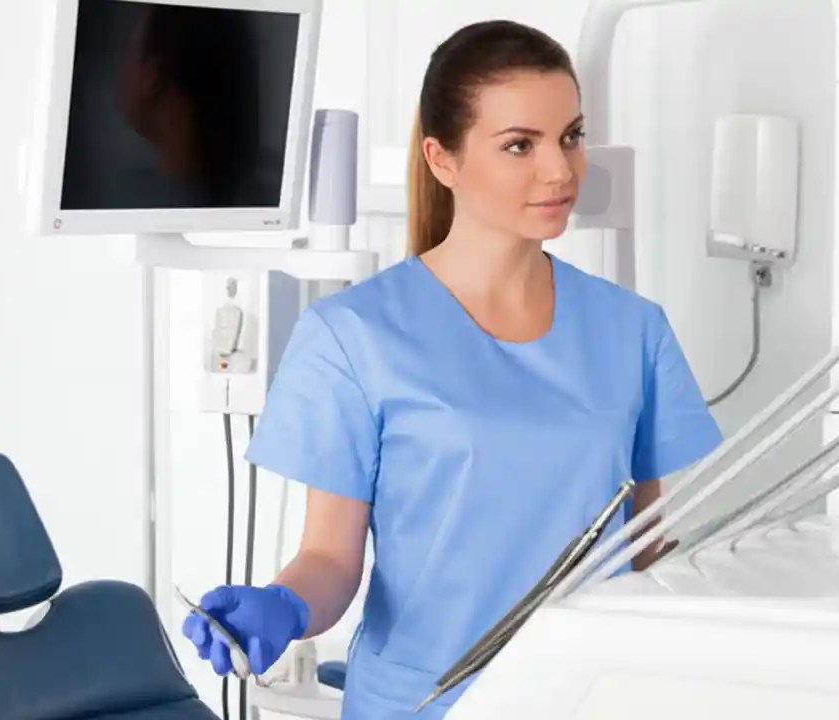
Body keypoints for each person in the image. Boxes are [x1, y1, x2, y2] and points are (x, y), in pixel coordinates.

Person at [182, 19, 722, 718]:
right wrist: (281, 606)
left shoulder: (632, 330)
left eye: (571, 136)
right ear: (443, 159)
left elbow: (647, 549)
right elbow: (332, 561)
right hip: (427, 704)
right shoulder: (353, 337)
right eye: (520, 146)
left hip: (595, 698)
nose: (559, 170)